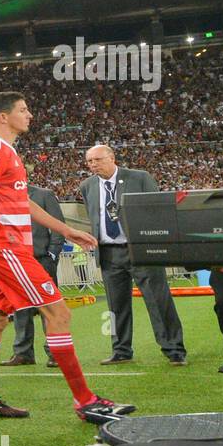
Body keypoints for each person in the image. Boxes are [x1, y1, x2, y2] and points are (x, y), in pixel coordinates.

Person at [0, 94, 134, 421]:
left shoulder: (8, 152)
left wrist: (66, 231)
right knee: (57, 312)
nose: (30, 114)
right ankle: (85, 401)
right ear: (3, 117)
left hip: (4, 247)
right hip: (5, 247)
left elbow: (24, 203)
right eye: (23, 110)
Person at [80, 144, 187, 365]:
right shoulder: (87, 186)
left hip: (140, 249)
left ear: (111, 157)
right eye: (89, 161)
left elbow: (157, 211)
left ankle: (174, 349)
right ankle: (121, 350)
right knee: (115, 305)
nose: (93, 165)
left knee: (158, 300)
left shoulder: (139, 178)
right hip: (109, 252)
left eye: (97, 160)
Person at [2, 182, 65, 367]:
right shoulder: (2, 197)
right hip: (16, 260)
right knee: (20, 308)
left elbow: (58, 224)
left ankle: (55, 353)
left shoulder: (44, 195)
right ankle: (23, 353)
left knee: (49, 307)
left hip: (41, 258)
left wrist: (52, 254)